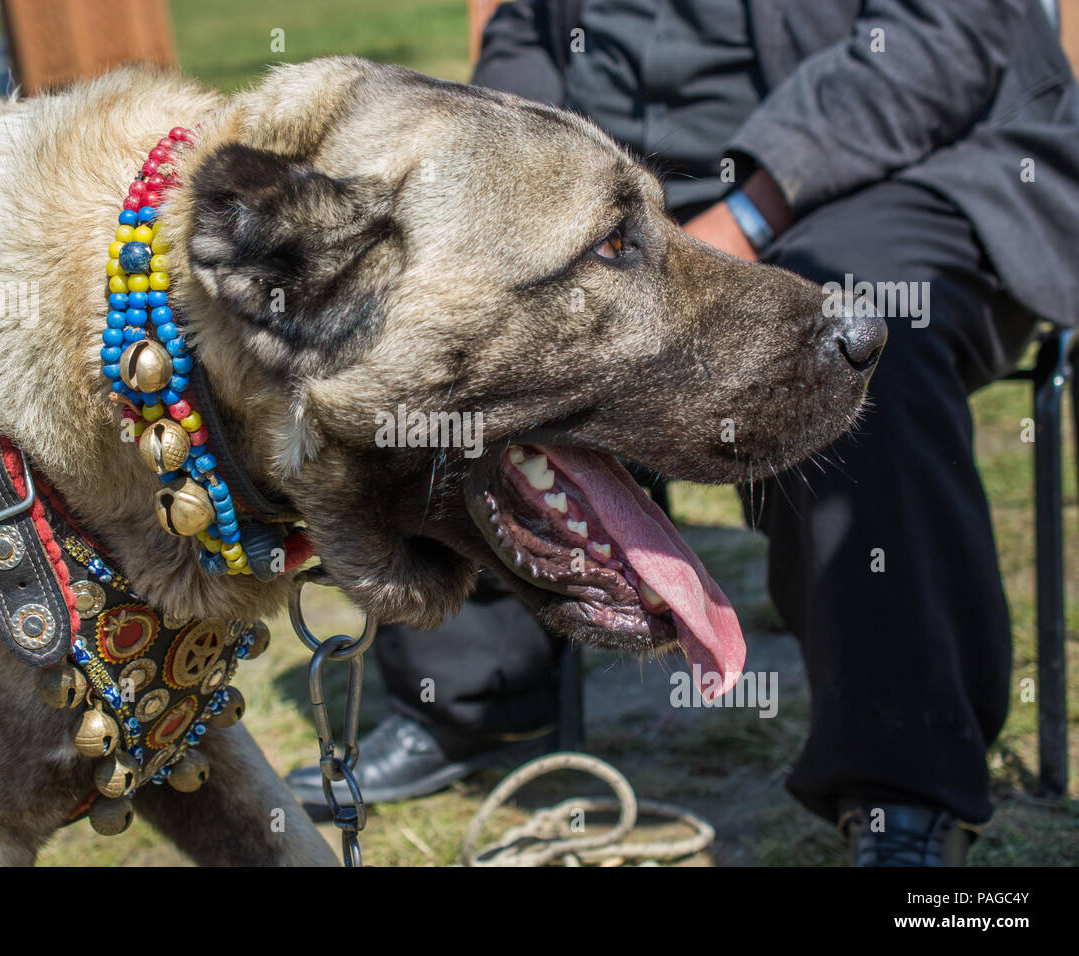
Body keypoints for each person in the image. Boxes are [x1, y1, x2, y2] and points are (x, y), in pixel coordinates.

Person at [287, 0, 1079, 865]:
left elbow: (943, 36)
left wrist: (740, 222)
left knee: (851, 319)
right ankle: (474, 695)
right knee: (471, 333)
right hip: (614, 186)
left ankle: (904, 788)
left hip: (894, 169)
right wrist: (496, 197)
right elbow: (527, 34)